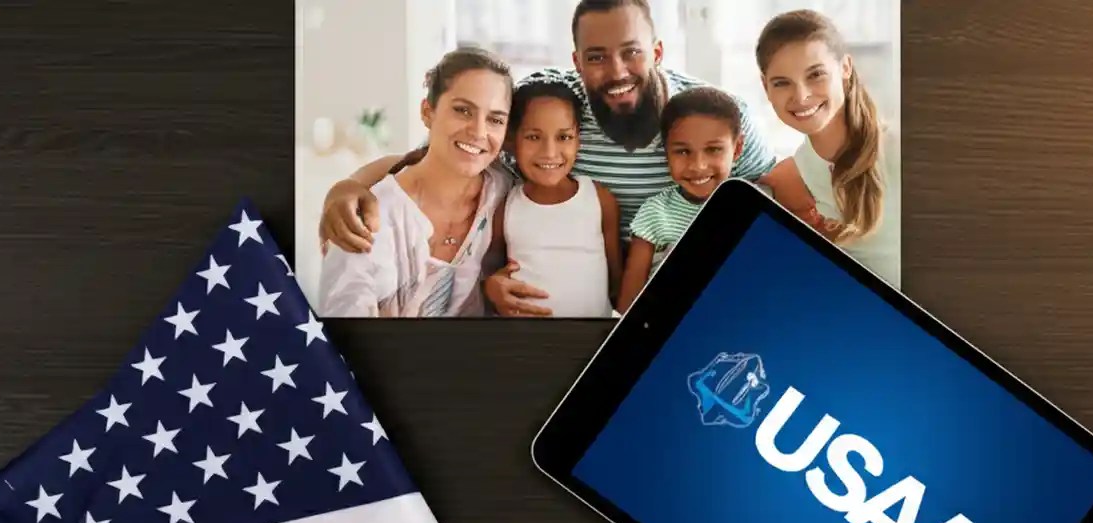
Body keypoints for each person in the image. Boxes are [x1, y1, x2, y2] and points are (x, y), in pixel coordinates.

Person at [316, 0, 777, 317]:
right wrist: (351, 185)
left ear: (656, 52)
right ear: (577, 62)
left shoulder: (712, 118)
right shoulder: (554, 106)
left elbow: (775, 191)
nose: (616, 71)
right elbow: (461, 150)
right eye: (597, 57)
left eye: (631, 53)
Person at [316, 48, 513, 317]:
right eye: (463, 110)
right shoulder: (367, 219)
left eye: (495, 119)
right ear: (427, 112)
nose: (479, 132)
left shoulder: (504, 192)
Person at [755, 9, 902, 288]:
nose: (801, 96)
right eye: (782, 83)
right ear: (765, 87)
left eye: (816, 75)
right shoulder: (788, 179)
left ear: (845, 68)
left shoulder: (900, 149)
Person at [489, 81, 623, 318]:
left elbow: (615, 278)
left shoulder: (599, 199)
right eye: (533, 137)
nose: (550, 152)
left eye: (564, 137)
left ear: (578, 139)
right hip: (527, 340)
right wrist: (491, 287)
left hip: (592, 339)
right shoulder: (506, 206)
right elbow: (490, 273)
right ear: (511, 139)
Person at [617, 87, 744, 313]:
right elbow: (629, 301)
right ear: (666, 152)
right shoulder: (655, 213)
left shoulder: (748, 208)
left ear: (737, 149)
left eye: (714, 149)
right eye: (683, 152)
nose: (698, 166)